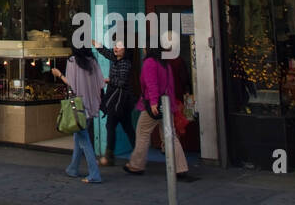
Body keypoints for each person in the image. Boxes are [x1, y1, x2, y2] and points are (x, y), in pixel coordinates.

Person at [124, 46, 194, 180]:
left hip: (153, 106)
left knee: (142, 132)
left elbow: (152, 84)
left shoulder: (150, 62)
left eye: (145, 46)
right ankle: (180, 168)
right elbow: (169, 86)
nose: (143, 48)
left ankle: (136, 165)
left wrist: (154, 102)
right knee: (170, 135)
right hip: (166, 105)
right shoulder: (164, 63)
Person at [51, 46, 105, 184]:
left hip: (79, 107)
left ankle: (94, 173)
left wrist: (59, 75)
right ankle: (73, 168)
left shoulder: (72, 61)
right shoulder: (93, 61)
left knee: (84, 141)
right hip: (92, 104)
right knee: (78, 137)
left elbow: (71, 85)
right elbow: (101, 83)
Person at [92, 38, 136, 167]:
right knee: (126, 128)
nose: (116, 48)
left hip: (120, 102)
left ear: (125, 50)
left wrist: (109, 80)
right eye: (115, 46)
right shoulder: (117, 60)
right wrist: (97, 44)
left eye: (119, 47)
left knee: (113, 127)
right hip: (120, 102)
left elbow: (122, 82)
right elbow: (107, 53)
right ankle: (136, 154)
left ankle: (109, 157)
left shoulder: (125, 63)